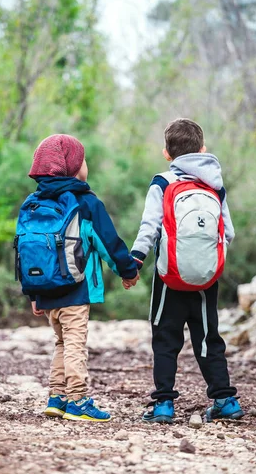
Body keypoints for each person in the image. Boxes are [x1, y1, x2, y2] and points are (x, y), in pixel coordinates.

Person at [130, 118, 244, 423]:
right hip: (207, 278)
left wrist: (135, 260)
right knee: (209, 338)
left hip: (169, 276)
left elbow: (150, 226)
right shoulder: (215, 186)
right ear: (203, 149)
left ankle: (164, 405)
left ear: (167, 154)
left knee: (165, 338)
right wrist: (204, 259)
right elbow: (228, 233)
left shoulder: (163, 182)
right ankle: (225, 400)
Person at [26, 134, 139, 422]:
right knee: (75, 342)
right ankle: (77, 399)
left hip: (47, 291)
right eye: (83, 159)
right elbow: (107, 242)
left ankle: (56, 397)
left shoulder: (34, 202)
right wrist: (127, 270)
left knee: (61, 343)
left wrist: (35, 294)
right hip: (76, 289)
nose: (85, 164)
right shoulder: (86, 202)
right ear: (72, 166)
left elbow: (31, 252)